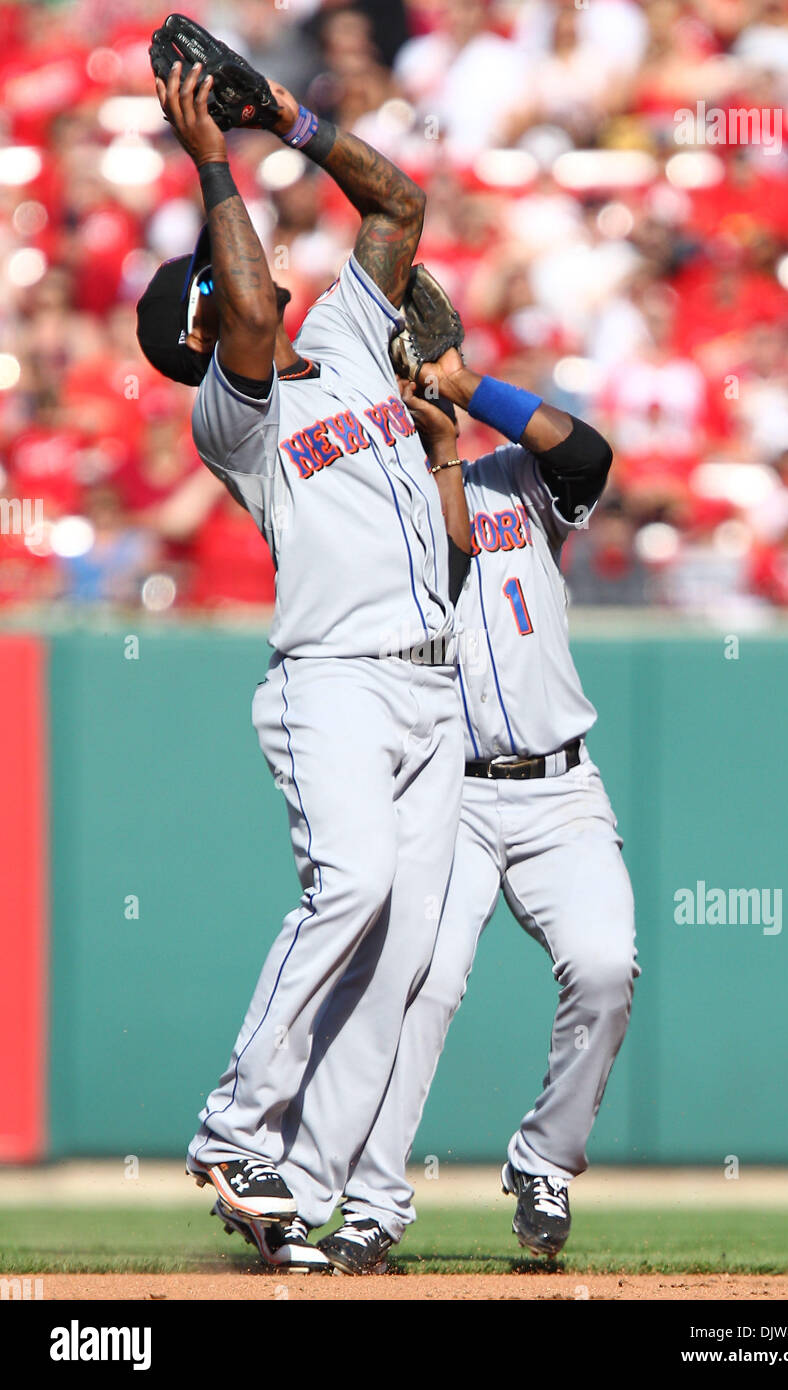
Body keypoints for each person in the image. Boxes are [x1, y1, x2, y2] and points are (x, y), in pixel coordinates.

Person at [136, 59, 471, 1269]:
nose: (257, 285)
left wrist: (286, 116)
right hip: (331, 678)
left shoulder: (343, 328)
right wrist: (214, 163)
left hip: (433, 686)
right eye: (227, 290)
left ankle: (296, 1186)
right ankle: (234, 1128)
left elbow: (396, 208)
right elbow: (244, 305)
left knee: (408, 959)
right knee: (355, 891)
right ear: (201, 328)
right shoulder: (234, 415)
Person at [313, 354, 639, 1272]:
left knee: (606, 966)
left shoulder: (518, 480)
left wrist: (465, 387)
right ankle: (374, 1204)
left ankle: (543, 1163)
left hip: (559, 788)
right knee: (424, 982)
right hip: (445, 794)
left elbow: (588, 449)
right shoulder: (375, 512)